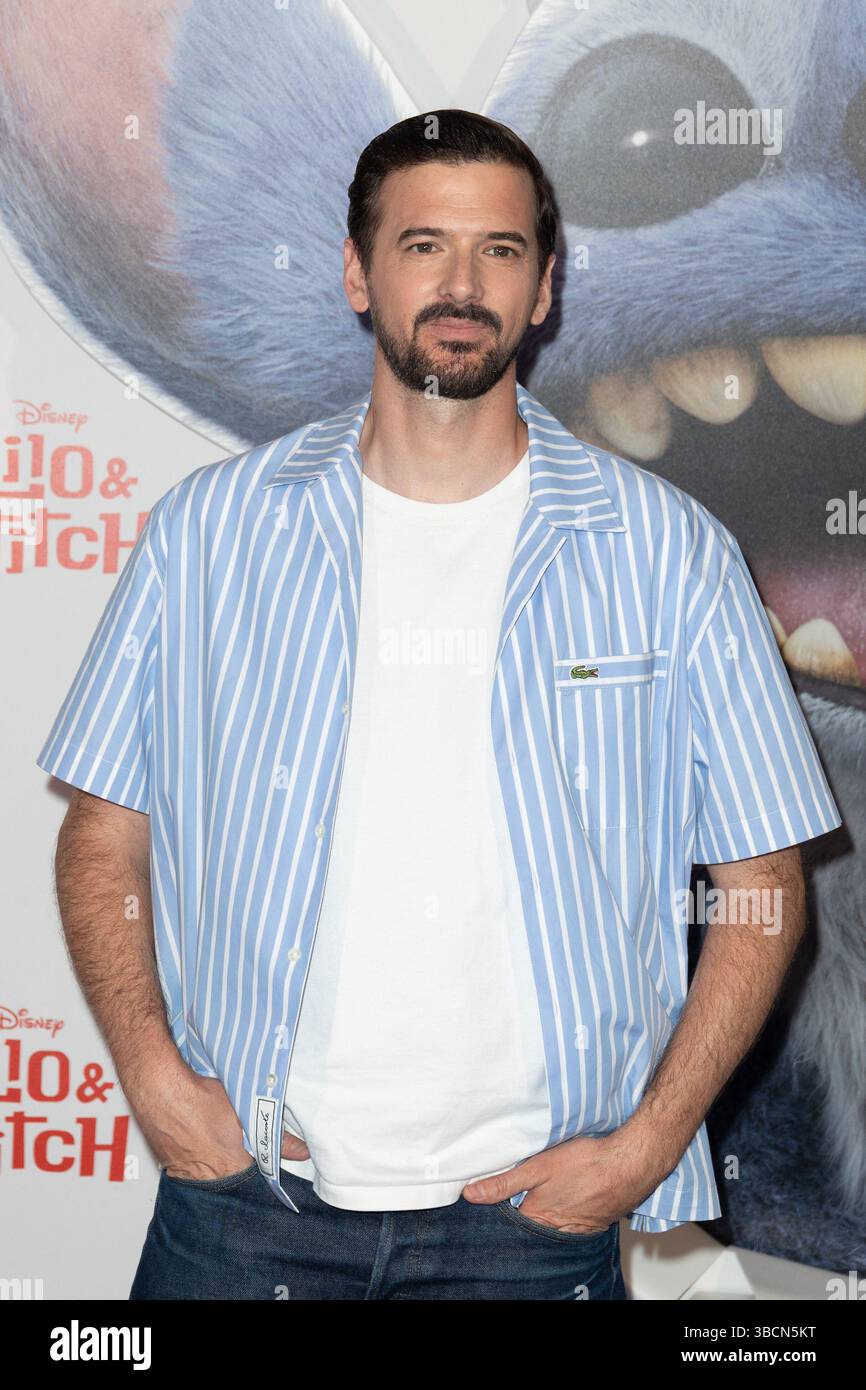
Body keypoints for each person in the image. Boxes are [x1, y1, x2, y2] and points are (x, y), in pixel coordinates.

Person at [37, 110, 842, 1302]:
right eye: (423, 246)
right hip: (243, 1211)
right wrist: (153, 1077)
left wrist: (652, 1137)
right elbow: (104, 828)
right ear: (358, 273)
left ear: (546, 285)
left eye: (500, 251)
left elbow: (763, 882)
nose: (462, 286)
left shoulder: (665, 552)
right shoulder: (209, 532)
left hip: (530, 1226)